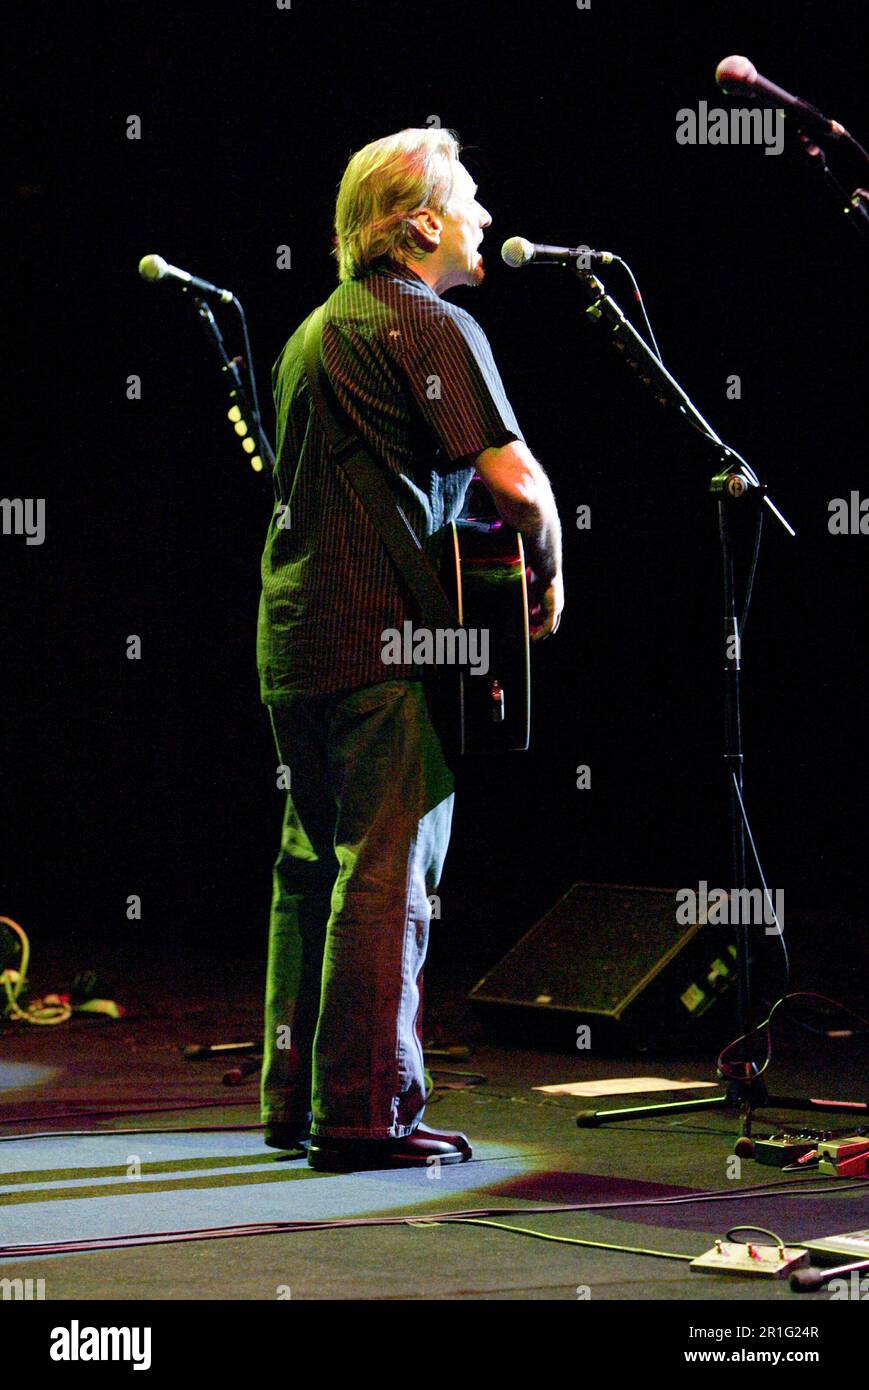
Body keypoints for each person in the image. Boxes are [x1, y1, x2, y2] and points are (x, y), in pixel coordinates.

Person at [257, 127, 564, 1172]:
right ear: (420, 223)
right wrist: (552, 571)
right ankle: (367, 1115)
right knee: (389, 875)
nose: (484, 214)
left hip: (293, 637)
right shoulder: (428, 323)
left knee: (313, 868)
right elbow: (518, 489)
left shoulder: (310, 332)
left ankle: (295, 1100)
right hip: (384, 641)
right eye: (468, 196)